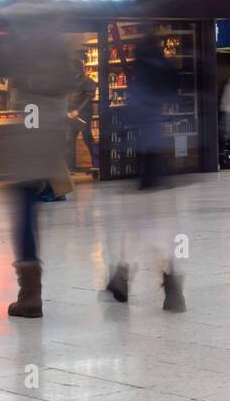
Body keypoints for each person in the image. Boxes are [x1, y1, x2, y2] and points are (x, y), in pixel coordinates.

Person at [0, 2, 76, 319]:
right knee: (32, 199)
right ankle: (30, 294)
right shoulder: (58, 41)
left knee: (23, 207)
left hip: (29, 129)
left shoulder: (19, 40)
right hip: (50, 128)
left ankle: (30, 295)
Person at [104, 24, 186, 312]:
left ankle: (124, 276)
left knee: (138, 221)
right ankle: (170, 283)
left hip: (144, 154)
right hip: (164, 155)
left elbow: (134, 112)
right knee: (161, 222)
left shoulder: (142, 79)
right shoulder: (165, 74)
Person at [65, 55, 98, 171]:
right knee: (69, 139)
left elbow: (89, 98)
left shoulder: (88, 81)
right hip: (71, 115)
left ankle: (97, 162)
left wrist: (78, 111)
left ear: (77, 68)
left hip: (83, 115)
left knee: (87, 137)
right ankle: (70, 167)